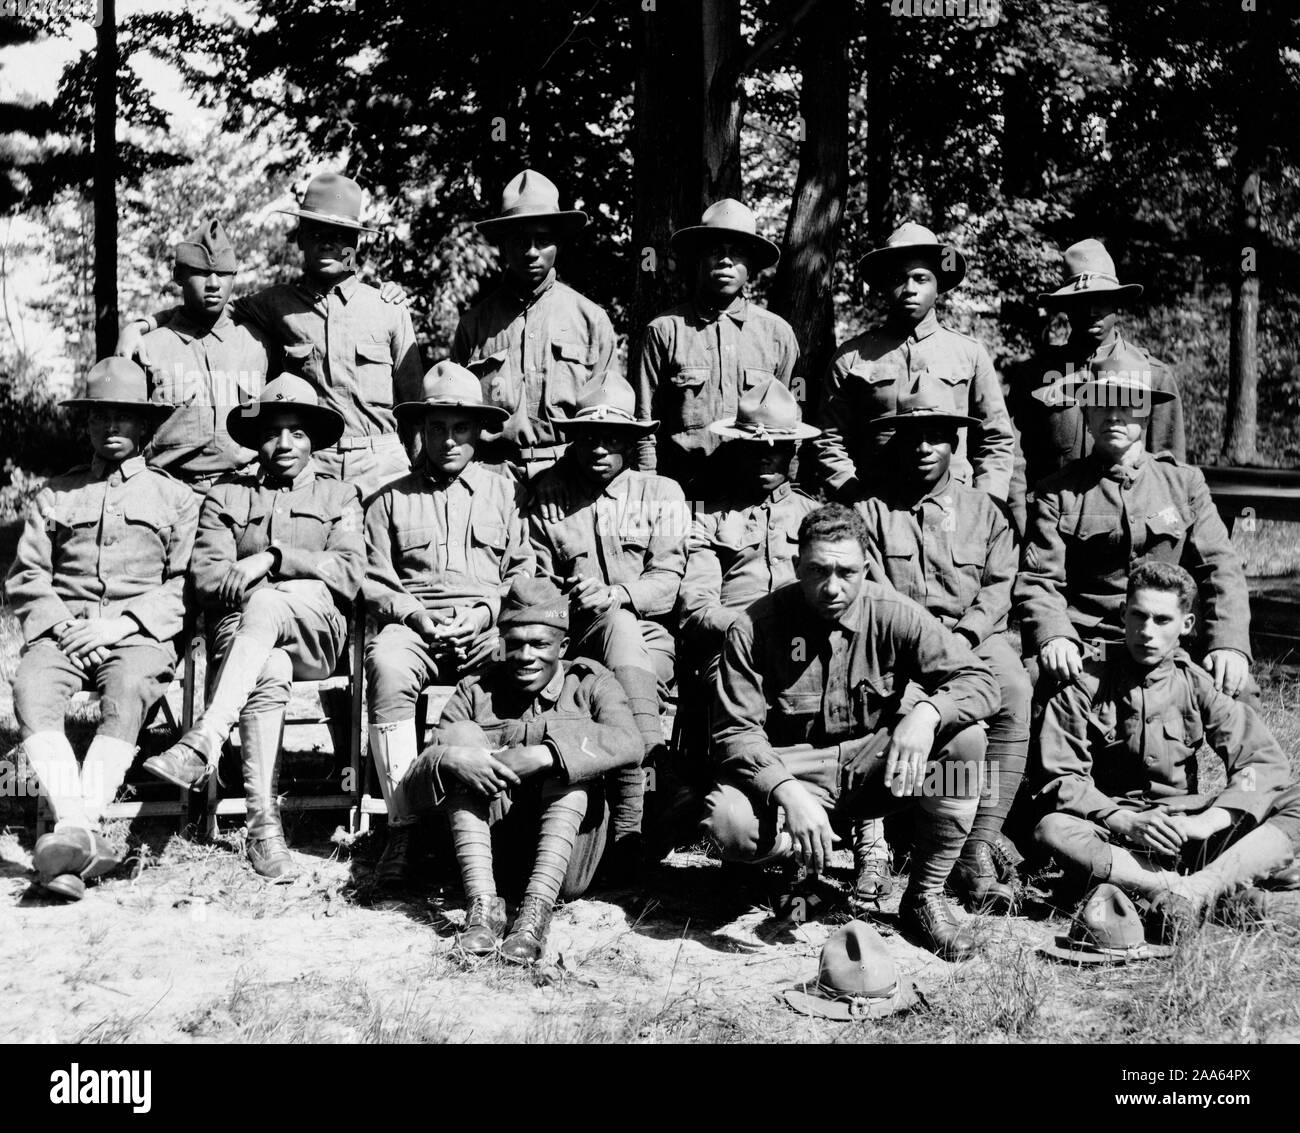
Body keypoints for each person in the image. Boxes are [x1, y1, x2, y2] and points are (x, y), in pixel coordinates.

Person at [705, 504, 1000, 959]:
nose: (832, 586)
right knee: (730, 825)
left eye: (846, 571)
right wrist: (786, 791)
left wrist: (927, 714)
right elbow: (734, 733)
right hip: (795, 768)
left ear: (866, 567)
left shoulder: (894, 613)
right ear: (796, 566)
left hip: (877, 768)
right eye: (818, 570)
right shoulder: (754, 627)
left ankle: (924, 896)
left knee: (966, 742)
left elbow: (980, 682)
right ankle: (802, 870)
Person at [142, 375, 365, 880]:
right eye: (272, 433)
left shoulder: (340, 495)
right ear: (255, 439)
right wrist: (294, 574)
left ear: (314, 440)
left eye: (298, 433)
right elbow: (205, 579)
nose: (284, 445)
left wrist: (274, 558)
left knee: (266, 600)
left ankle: (204, 740)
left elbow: (350, 573)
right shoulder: (227, 495)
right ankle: (264, 828)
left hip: (317, 633)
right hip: (242, 637)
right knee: (269, 665)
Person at [5, 359, 198, 900]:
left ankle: (71, 829)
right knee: (31, 689)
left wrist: (120, 625)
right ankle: (84, 827)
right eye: (99, 417)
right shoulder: (56, 494)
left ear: (144, 426)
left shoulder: (175, 498)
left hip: (137, 635)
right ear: (84, 424)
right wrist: (65, 625)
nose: (111, 427)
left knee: (129, 690)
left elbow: (186, 584)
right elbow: (27, 575)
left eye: (124, 417)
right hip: (61, 633)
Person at [115, 172, 422, 500]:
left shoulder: (388, 307)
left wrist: (420, 468)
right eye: (317, 232)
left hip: (381, 461)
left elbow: (414, 405)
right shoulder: (276, 304)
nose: (328, 242)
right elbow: (209, 311)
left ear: (355, 242)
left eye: (340, 234)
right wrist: (142, 325)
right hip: (312, 464)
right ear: (301, 239)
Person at [1034, 561, 1299, 931]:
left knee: (1294, 800)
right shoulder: (1086, 681)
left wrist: (1207, 822)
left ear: (1186, 625)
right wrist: (1124, 820)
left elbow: (1260, 765)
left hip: (1184, 833)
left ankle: (1191, 891)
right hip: (1118, 839)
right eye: (1138, 616)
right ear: (1123, 614)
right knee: (1054, 829)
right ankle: (1190, 891)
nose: (1146, 631)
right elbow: (1062, 777)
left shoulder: (1195, 683)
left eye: (1162, 620)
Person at [401, 577, 642, 963]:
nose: (525, 655)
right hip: (490, 850)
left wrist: (548, 755)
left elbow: (631, 743)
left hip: (569, 859)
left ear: (562, 647)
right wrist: (450, 760)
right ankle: (482, 908)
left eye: (540, 645)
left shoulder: (591, 683)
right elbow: (413, 786)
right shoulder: (477, 689)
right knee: (460, 738)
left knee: (569, 769)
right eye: (514, 644)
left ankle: (536, 914)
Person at [854, 397, 1031, 912]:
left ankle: (975, 842)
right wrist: (920, 639)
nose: (925, 446)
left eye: (937, 436)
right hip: (898, 642)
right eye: (912, 436)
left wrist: (967, 636)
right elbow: (873, 587)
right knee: (883, 696)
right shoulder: (871, 509)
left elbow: (999, 587)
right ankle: (878, 842)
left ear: (956, 443)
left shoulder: (985, 511)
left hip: (975, 637)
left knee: (1013, 691)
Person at [362, 361, 535, 886]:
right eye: (436, 428)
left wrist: (485, 612)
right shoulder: (388, 499)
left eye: (461, 428)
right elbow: (372, 579)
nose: (449, 440)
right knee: (387, 665)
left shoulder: (507, 493)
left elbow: (525, 571)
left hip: (487, 628)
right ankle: (404, 826)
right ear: (421, 430)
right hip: (415, 627)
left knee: (525, 666)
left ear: (478, 431)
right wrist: (414, 615)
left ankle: (509, 815)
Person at [1015, 348, 1252, 700]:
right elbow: (1039, 581)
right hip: (1089, 644)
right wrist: (1054, 635)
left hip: (1167, 642)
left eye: (1126, 404)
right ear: (1086, 412)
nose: (1113, 416)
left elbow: (1221, 568)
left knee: (1239, 686)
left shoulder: (1184, 484)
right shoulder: (1057, 492)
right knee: (1030, 682)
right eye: (1101, 404)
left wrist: (1229, 642)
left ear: (1145, 414)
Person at [527, 371, 689, 878]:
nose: (599, 446)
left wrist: (616, 593)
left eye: (613, 435)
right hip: (574, 640)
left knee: (621, 624)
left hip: (648, 640)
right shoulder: (547, 492)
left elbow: (669, 579)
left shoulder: (662, 492)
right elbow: (531, 581)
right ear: (573, 437)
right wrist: (576, 602)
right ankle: (631, 826)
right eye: (588, 435)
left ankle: (623, 824)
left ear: (633, 440)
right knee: (612, 627)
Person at [812, 222, 1014, 504]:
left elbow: (995, 440)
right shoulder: (852, 356)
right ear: (883, 286)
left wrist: (984, 506)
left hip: (954, 508)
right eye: (898, 278)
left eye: (921, 279)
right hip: (878, 507)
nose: (909, 289)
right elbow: (829, 441)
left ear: (938, 286)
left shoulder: (969, 353)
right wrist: (858, 502)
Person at [1005, 239, 1186, 533]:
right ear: (1064, 306)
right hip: (1048, 526)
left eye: (1101, 299)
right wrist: (1023, 521)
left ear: (1117, 303)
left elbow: (1169, 470)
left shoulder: (1152, 376)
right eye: (1079, 302)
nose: (1091, 311)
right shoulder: (1033, 376)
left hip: (1125, 530)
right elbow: (1012, 461)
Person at [452, 170, 616, 480]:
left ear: (558, 243)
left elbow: (607, 421)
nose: (530, 251)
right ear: (503, 245)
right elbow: (456, 418)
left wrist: (568, 473)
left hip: (571, 476)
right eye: (519, 240)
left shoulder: (591, 320)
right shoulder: (474, 325)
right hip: (491, 477)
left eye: (542, 239)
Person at [633, 199, 798, 499]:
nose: (725, 261)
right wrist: (648, 491)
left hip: (754, 496)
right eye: (714, 251)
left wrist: (787, 493)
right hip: (685, 492)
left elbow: (790, 427)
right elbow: (645, 423)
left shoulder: (777, 334)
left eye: (737, 253)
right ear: (698, 260)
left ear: (751, 267)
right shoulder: (664, 330)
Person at [135, 219, 271, 497]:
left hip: (243, 493)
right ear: (178, 276)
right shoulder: (150, 348)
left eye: (223, 274)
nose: (213, 284)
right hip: (170, 492)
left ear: (234, 276)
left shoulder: (258, 343)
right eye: (200, 273)